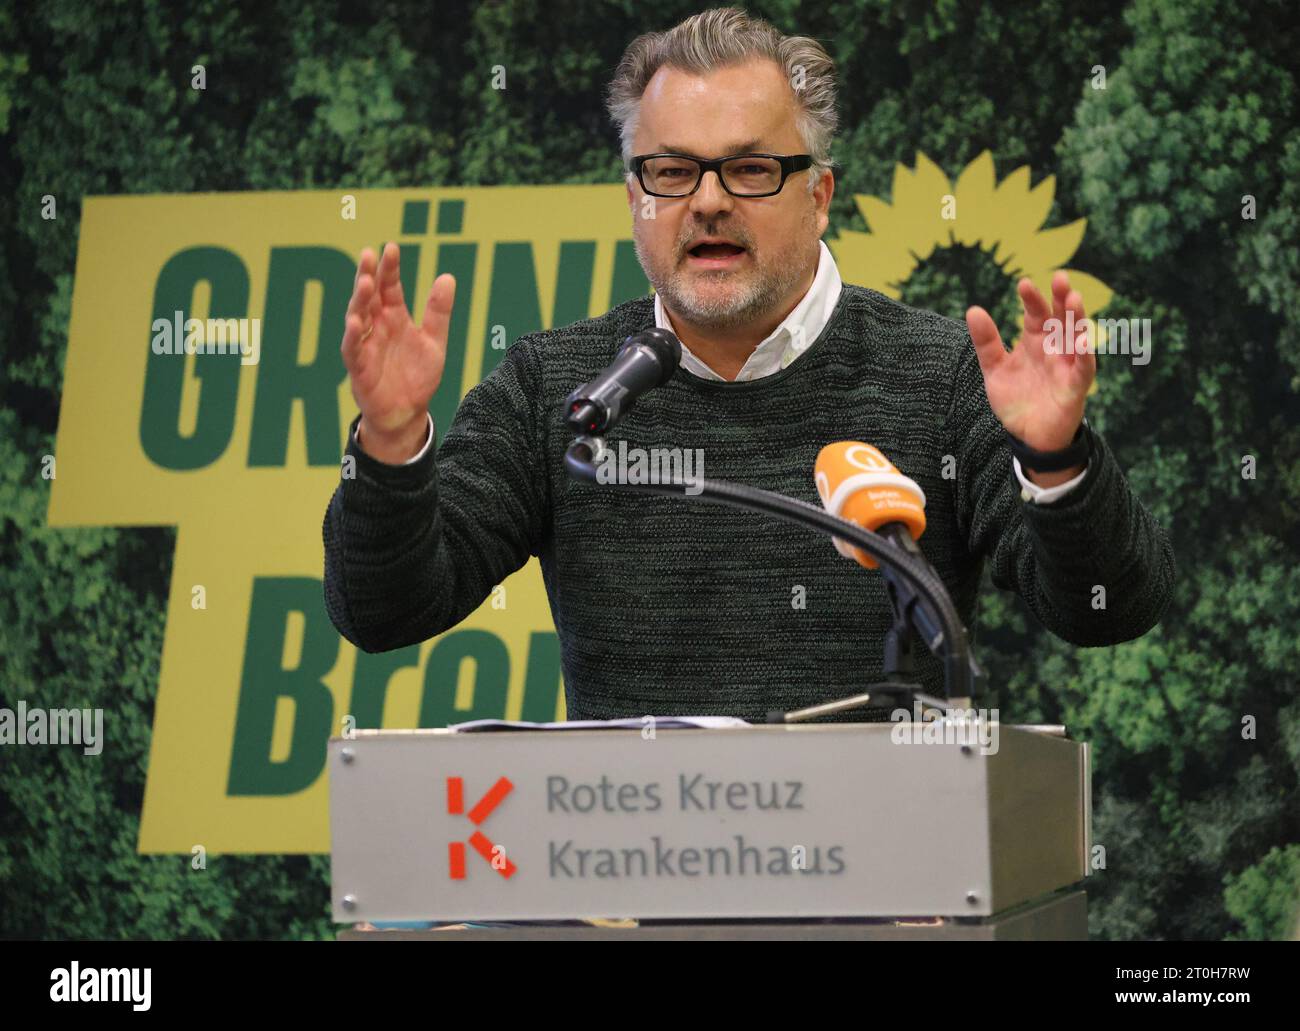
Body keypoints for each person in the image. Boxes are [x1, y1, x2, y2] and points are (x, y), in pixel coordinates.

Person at [322, 7, 1175, 721]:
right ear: (634, 197)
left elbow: (1110, 607)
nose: (708, 201)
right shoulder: (562, 390)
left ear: (820, 194)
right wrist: (392, 442)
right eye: (671, 171)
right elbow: (384, 611)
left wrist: (1056, 459)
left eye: (751, 168)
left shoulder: (943, 374)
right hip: (631, 884)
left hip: (884, 883)